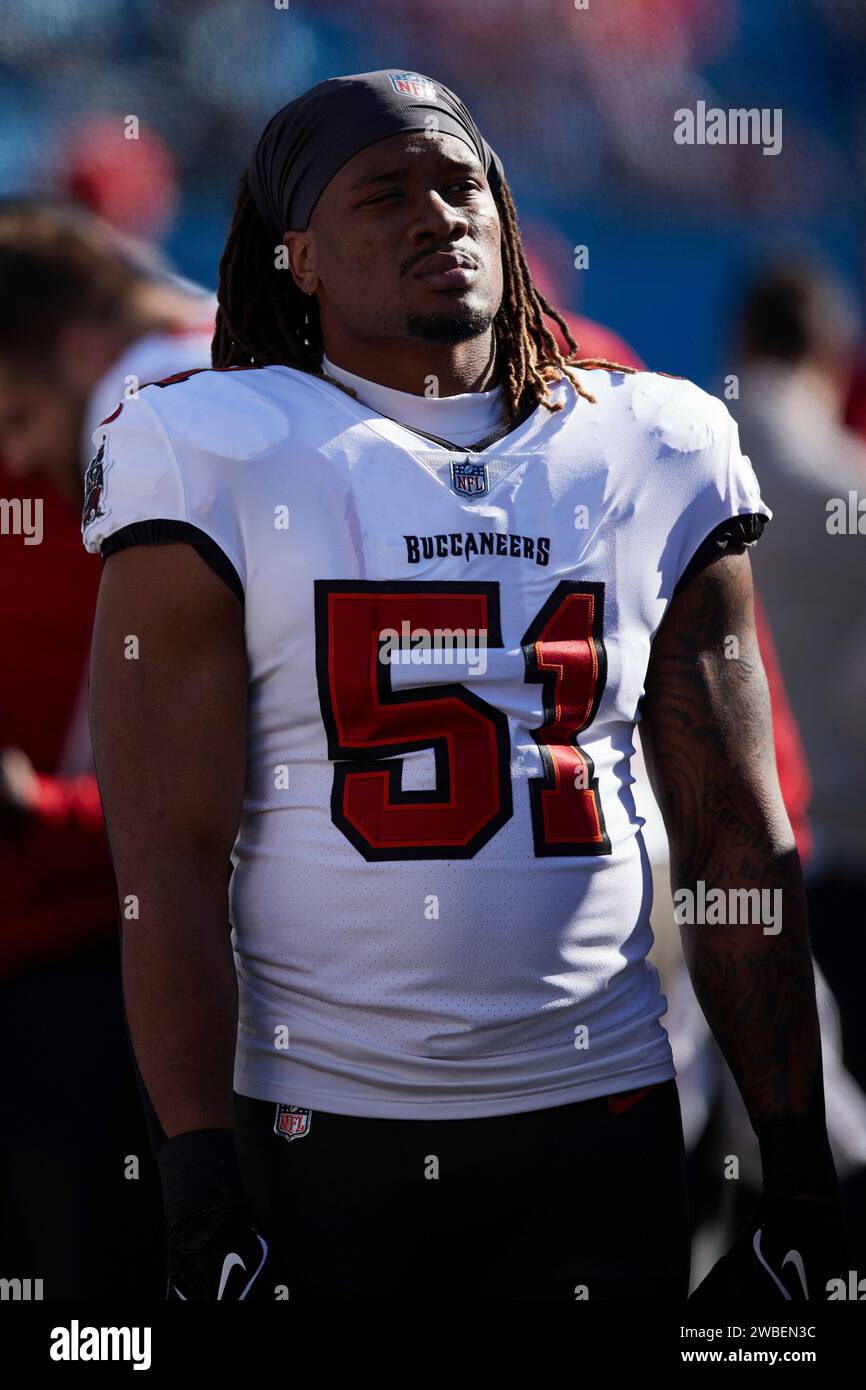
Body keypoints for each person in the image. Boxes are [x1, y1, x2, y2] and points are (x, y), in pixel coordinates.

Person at [84, 70, 843, 1301]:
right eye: (383, 195)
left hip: (602, 1104)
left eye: (461, 185)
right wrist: (198, 1186)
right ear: (301, 259)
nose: (437, 216)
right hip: (325, 1124)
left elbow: (734, 837)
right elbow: (164, 863)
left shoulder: (651, 438)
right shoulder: (207, 447)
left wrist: (797, 1167)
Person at [0, 199, 214, 1296]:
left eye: (24, 412)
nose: (19, 453)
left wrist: (51, 813)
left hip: (163, 959)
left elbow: (200, 779)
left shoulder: (142, 410)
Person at [732, 263, 866, 1097]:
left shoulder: (676, 467)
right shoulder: (851, 485)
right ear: (833, 353)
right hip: (842, 849)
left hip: (713, 860)